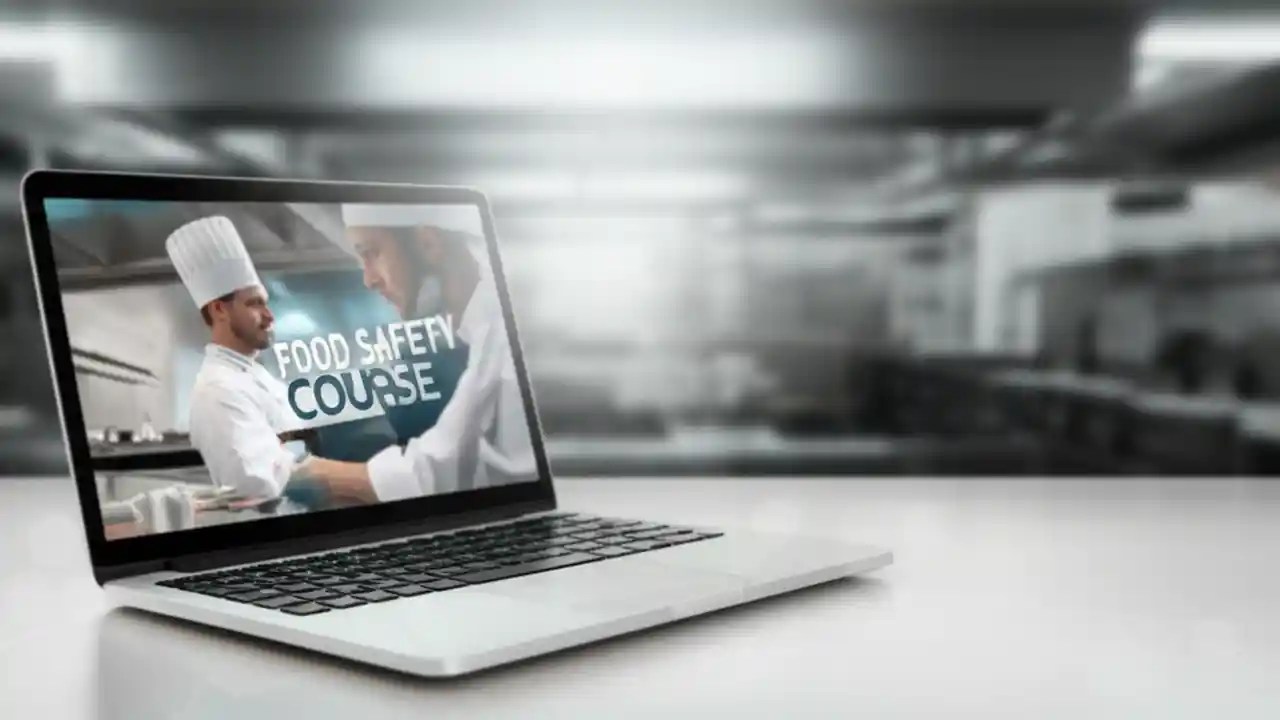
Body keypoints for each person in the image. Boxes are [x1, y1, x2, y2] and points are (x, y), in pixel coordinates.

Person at [297, 204, 536, 504]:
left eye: (371, 253)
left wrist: (319, 477)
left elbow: (445, 472)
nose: (369, 280)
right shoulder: (483, 323)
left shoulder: (503, 323)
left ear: (429, 243)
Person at [167, 215, 298, 498]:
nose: (269, 315)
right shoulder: (217, 391)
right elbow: (254, 488)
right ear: (219, 311)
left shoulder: (254, 373)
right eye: (254, 303)